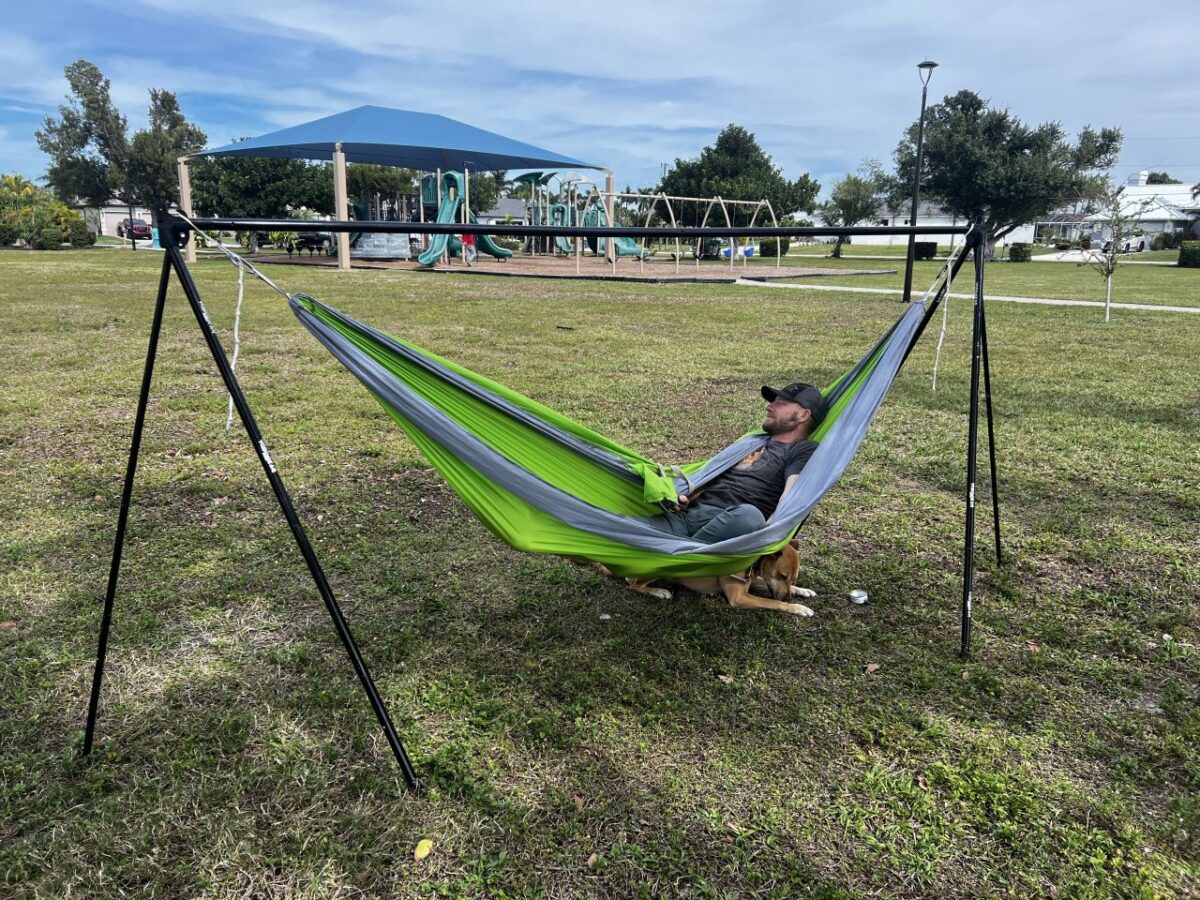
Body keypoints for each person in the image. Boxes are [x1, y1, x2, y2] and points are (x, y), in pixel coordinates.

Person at [649, 382, 825, 543]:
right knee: (630, 528)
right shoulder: (752, 442)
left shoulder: (803, 450)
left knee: (750, 516)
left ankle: (683, 554)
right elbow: (709, 477)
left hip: (735, 525)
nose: (769, 406)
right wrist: (685, 497)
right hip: (688, 517)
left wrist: (772, 535)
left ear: (803, 415)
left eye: (781, 403)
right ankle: (681, 555)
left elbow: (792, 497)